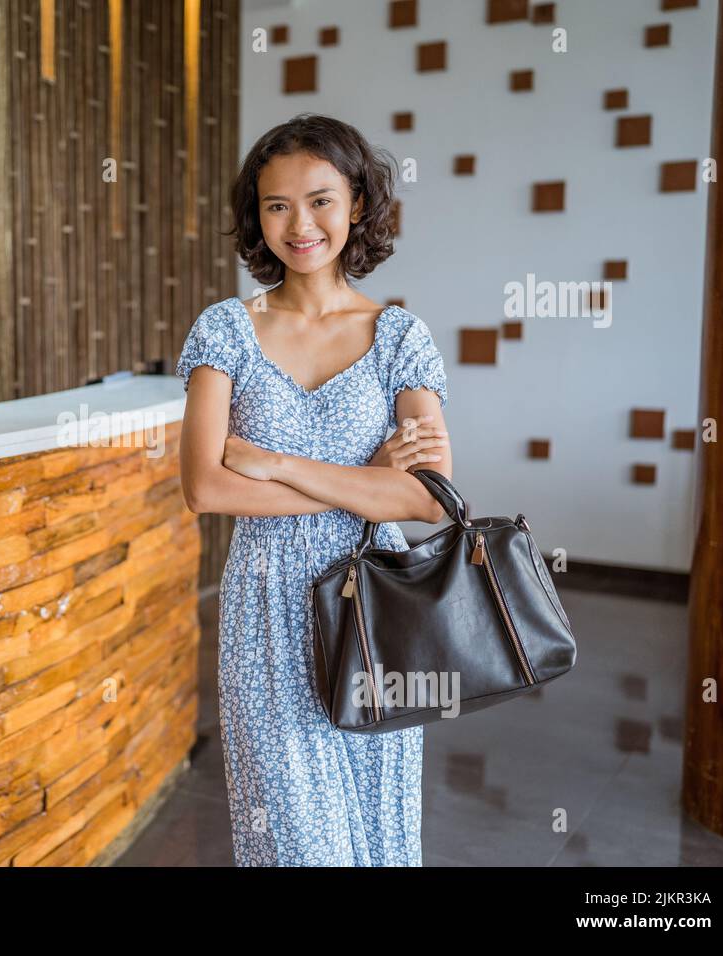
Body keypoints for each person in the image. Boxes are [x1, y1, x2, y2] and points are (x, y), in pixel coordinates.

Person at [176, 113, 453, 866]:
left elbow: (429, 500)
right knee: (298, 840)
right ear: (255, 215)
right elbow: (205, 486)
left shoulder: (400, 336)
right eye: (276, 205)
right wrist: (369, 483)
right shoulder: (223, 331)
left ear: (358, 203)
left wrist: (278, 463)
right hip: (265, 605)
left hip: (378, 607)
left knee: (379, 828)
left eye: (321, 199)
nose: (300, 224)